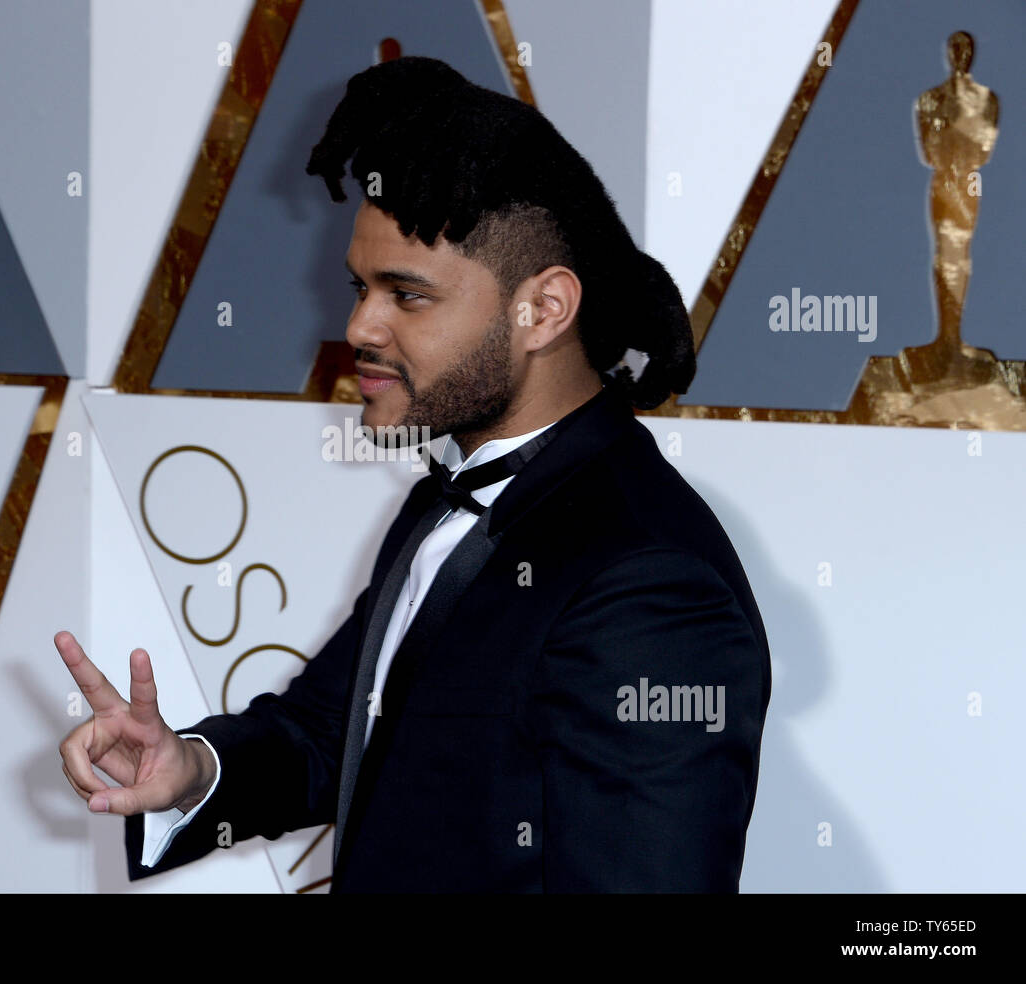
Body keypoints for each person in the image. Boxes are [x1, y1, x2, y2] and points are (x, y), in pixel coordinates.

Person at [57, 56, 770, 892]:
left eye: (408, 294)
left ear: (542, 309)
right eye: (359, 287)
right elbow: (335, 729)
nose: (359, 325)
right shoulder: (447, 496)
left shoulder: (650, 581)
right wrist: (196, 770)